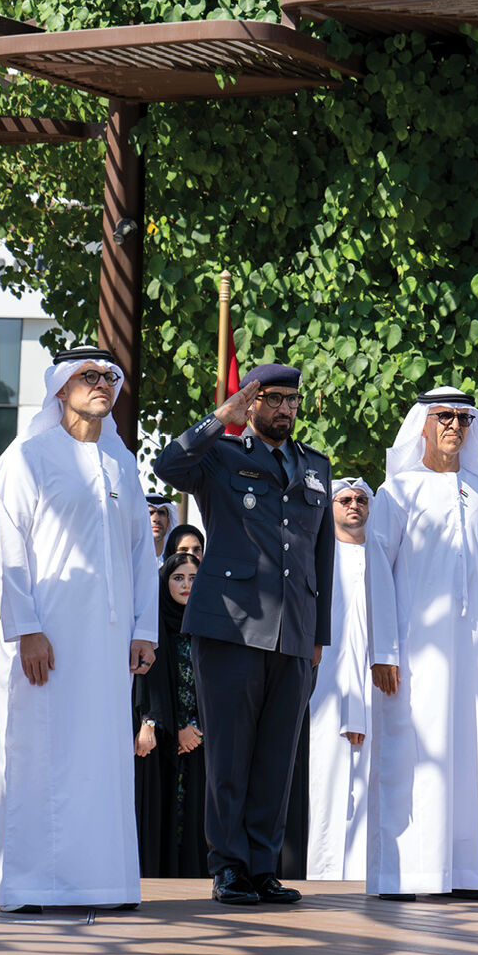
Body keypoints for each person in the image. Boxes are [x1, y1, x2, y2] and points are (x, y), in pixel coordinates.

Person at [151, 362, 335, 907]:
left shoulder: (315, 466)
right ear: (250, 403)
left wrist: (318, 633)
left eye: (292, 400)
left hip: (294, 633)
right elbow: (168, 465)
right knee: (230, 755)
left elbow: (319, 556)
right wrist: (218, 418)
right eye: (273, 398)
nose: (285, 409)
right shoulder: (222, 455)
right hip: (230, 624)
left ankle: (261, 866)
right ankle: (228, 866)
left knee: (276, 760)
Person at [0, 348, 160, 912]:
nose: (102, 385)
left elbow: (142, 553)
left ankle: (102, 883)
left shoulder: (121, 461)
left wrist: (144, 628)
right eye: (89, 377)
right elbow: (9, 550)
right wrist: (27, 627)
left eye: (110, 377)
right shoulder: (29, 457)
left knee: (102, 759)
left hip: (108, 643)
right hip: (48, 639)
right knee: (41, 753)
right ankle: (30, 886)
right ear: (61, 388)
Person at [365, 388, 478, 901]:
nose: (454, 425)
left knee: (473, 754)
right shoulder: (397, 492)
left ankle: (470, 873)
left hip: (475, 651)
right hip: (415, 652)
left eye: (462, 417)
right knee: (413, 756)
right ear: (424, 425)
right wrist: (383, 651)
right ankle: (407, 875)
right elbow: (378, 576)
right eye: (444, 417)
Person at [306, 478, 374, 882]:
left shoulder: (383, 559)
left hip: (379, 688)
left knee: (374, 787)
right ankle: (325, 876)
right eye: (345, 499)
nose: (354, 505)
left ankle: (371, 876)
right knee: (327, 785)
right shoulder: (317, 561)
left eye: (361, 499)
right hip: (325, 691)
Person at [133, 551, 206, 878]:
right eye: (178, 578)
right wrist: (162, 723)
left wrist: (196, 728)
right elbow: (147, 680)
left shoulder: (210, 622)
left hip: (200, 739)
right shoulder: (155, 625)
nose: (186, 585)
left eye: (193, 578)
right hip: (162, 737)